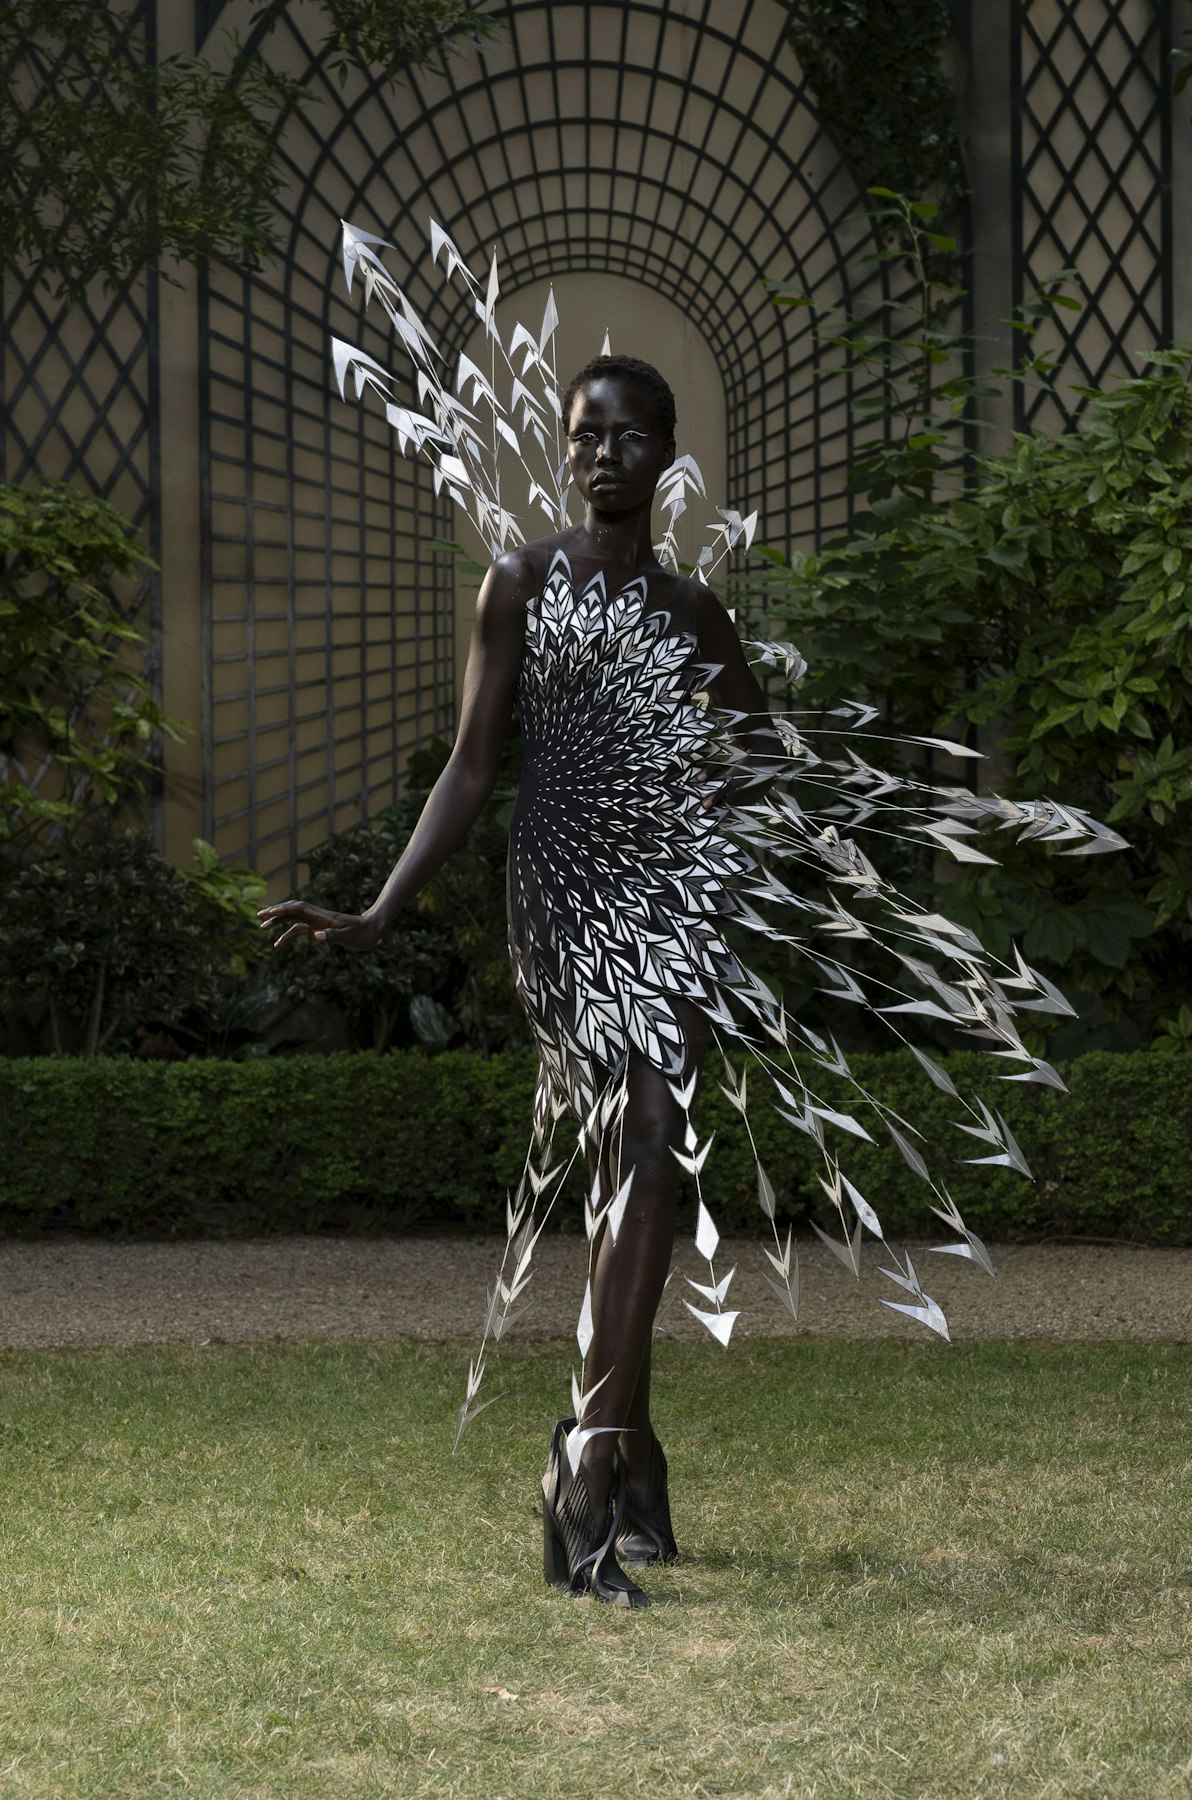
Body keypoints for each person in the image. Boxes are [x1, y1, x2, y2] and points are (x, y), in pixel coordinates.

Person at [260, 356, 777, 1609]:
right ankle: (593, 1474)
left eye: (627, 438)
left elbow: (762, 760)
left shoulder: (694, 613)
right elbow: (472, 767)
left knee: (643, 1161)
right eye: (583, 436)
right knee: (642, 1141)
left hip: (670, 900)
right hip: (563, 901)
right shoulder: (523, 581)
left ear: (666, 454)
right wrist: (382, 908)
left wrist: (714, 860)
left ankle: (622, 1459)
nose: (602, 456)